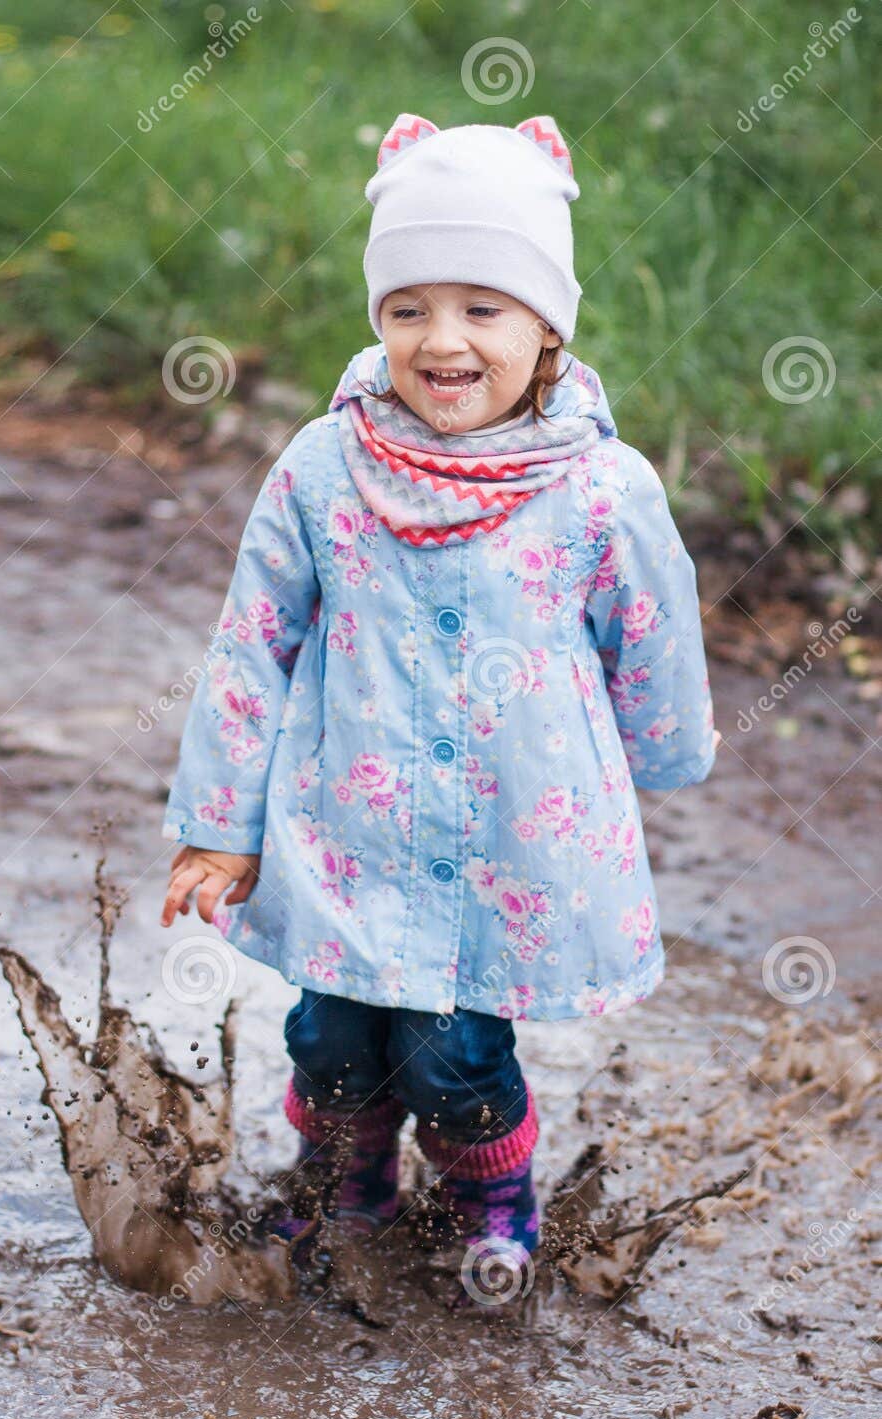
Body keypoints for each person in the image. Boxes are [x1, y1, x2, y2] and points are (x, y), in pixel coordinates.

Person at [159, 113, 718, 1283]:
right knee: (329, 1034)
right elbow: (252, 644)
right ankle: (346, 1184)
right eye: (407, 306)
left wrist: (659, 759)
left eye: (482, 307)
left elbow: (650, 634)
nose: (441, 338)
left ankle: (491, 1202)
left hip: (504, 836)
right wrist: (218, 824)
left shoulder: (596, 487)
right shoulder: (323, 466)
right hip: (346, 829)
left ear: (545, 324)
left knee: (455, 1050)